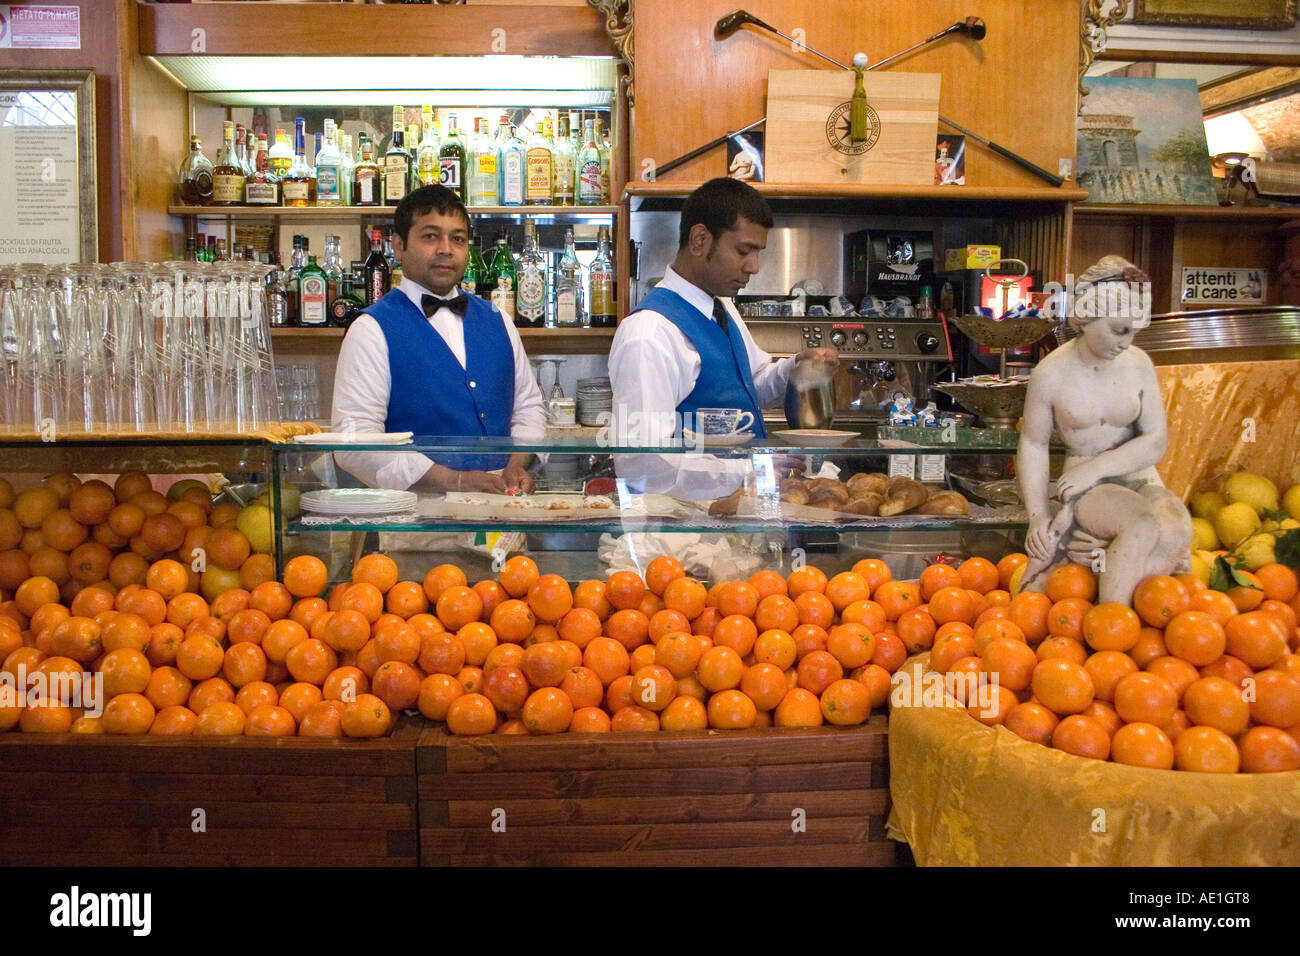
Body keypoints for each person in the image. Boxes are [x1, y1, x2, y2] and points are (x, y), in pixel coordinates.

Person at [607, 177, 837, 497]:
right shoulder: (649, 334)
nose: (754, 266)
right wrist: (751, 471)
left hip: (734, 525)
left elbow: (749, 386)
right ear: (700, 240)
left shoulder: (722, 307)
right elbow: (643, 464)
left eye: (758, 252)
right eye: (744, 251)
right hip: (684, 536)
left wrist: (797, 368)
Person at [331, 184, 546, 493]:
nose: (446, 248)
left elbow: (528, 408)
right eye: (431, 236)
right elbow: (355, 444)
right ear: (399, 245)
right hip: (417, 525)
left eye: (457, 238)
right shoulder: (371, 329)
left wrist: (515, 466)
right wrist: (454, 480)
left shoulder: (499, 321)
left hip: (503, 518)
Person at [1017, 255, 1192, 606]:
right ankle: (1112, 621)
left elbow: (1155, 441)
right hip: (1087, 485)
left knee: (1177, 528)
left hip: (1140, 476)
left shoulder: (1139, 364)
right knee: (1140, 523)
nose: (1127, 342)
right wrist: (1038, 517)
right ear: (1087, 317)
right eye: (1119, 329)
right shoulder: (1051, 373)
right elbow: (1033, 443)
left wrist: (1102, 465)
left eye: (1134, 331)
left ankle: (1143, 617)